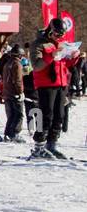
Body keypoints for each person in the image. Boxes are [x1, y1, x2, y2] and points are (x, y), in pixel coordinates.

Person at [30, 16, 79, 159]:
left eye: (62, 35)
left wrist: (74, 57)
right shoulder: (39, 44)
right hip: (46, 84)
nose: (59, 37)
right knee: (46, 114)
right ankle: (39, 146)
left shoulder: (61, 44)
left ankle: (51, 145)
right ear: (50, 31)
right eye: (57, 34)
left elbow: (65, 65)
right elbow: (37, 66)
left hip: (61, 83)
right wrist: (51, 56)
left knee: (59, 116)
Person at [0, 43, 27, 142]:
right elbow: (18, 80)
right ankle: (15, 133)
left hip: (7, 92)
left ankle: (8, 134)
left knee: (11, 115)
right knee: (18, 114)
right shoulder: (17, 64)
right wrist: (20, 92)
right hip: (14, 93)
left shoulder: (7, 63)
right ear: (20, 55)